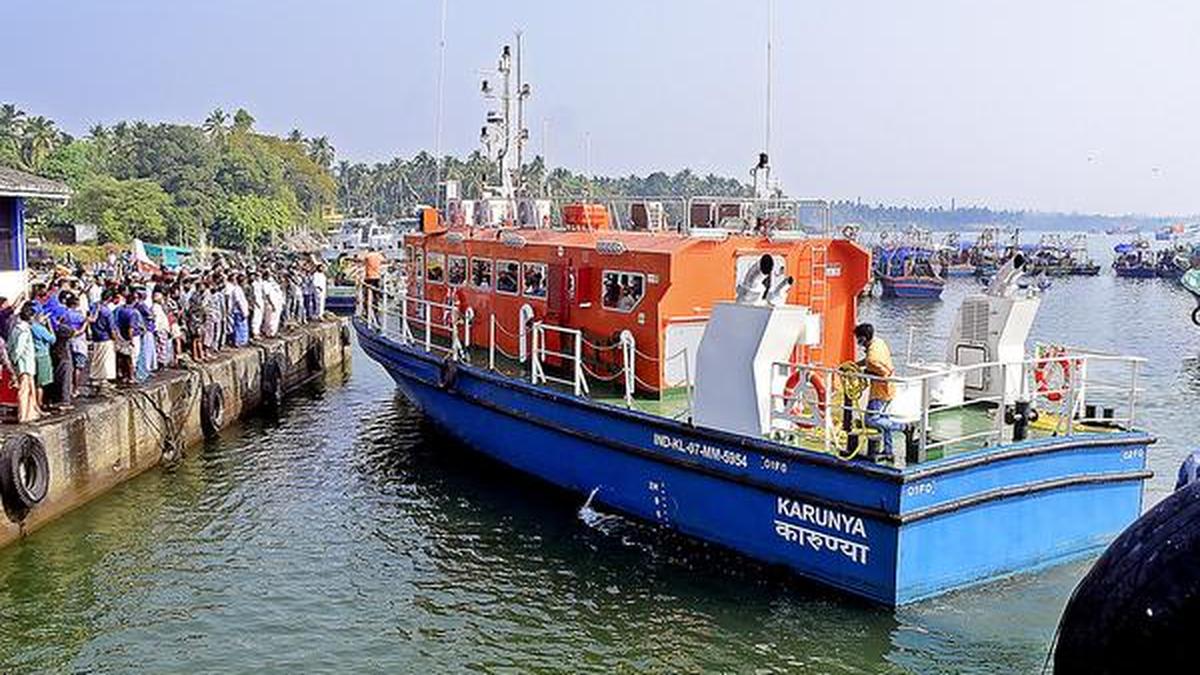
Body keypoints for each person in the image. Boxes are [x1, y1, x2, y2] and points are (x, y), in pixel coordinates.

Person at [855, 323, 903, 461]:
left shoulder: (872, 358)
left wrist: (863, 373)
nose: (858, 342)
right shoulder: (878, 342)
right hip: (889, 389)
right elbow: (868, 362)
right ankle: (888, 451)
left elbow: (882, 372)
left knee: (870, 420)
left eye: (858, 339)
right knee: (883, 419)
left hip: (879, 392)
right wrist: (856, 365)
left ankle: (902, 427)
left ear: (863, 338)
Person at [8, 303, 39, 422]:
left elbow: (10, 345)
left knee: (27, 389)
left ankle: (29, 413)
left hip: (22, 363)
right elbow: (18, 349)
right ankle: (23, 415)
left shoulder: (15, 328)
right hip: (25, 364)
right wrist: (14, 360)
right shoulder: (24, 331)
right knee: (24, 390)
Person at [89, 289, 118, 389]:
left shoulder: (94, 306)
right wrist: (115, 339)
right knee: (106, 360)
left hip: (95, 336)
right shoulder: (107, 312)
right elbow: (111, 328)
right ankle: (103, 380)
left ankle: (95, 378)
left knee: (96, 358)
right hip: (105, 337)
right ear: (110, 298)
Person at [361, 246, 385, 321]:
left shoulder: (368, 256)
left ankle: (366, 311)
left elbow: (363, 262)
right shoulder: (378, 256)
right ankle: (376, 309)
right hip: (377, 277)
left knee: (366, 294)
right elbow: (383, 261)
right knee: (376, 294)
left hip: (369, 277)